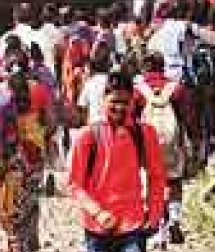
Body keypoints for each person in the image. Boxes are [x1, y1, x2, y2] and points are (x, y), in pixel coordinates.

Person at [67, 72, 167, 252]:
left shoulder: (144, 133)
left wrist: (154, 214)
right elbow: (74, 184)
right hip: (97, 227)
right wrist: (97, 212)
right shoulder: (87, 136)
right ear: (104, 99)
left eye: (125, 102)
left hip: (133, 225)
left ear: (133, 102)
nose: (120, 107)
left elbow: (157, 177)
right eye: (114, 102)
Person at [0, 47, 53, 252]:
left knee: (9, 207)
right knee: (31, 202)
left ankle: (15, 245)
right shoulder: (40, 89)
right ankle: (30, 241)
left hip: (6, 158)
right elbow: (51, 122)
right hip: (34, 154)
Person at [132, 51, 195, 246]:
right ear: (162, 67)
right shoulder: (176, 89)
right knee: (174, 180)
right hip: (172, 141)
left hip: (147, 141)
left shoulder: (138, 90)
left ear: (144, 68)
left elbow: (131, 119)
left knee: (152, 182)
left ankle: (158, 225)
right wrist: (190, 139)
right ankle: (174, 219)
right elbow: (187, 116)